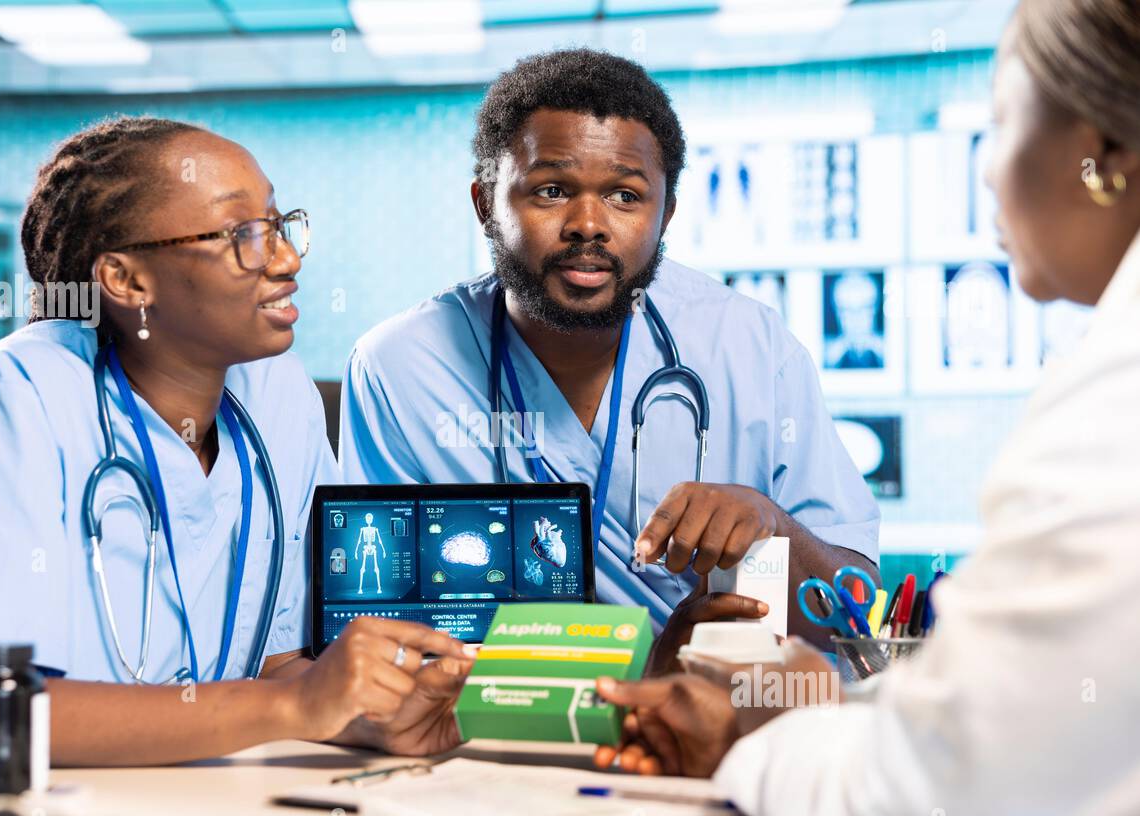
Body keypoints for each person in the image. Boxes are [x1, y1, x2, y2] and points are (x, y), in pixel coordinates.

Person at [593, 0, 1140, 816]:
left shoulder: (1118, 397)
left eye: (1000, 122)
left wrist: (747, 743)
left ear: (1105, 152)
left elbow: (955, 804)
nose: (989, 171)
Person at [0, 117, 471, 791]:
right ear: (125, 279)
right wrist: (295, 705)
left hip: (178, 791)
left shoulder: (276, 394)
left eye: (279, 223)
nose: (286, 259)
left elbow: (278, 664)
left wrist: (364, 718)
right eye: (242, 236)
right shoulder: (18, 394)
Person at [338, 50, 881, 654]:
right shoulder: (402, 365)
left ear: (665, 212)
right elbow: (378, 637)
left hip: (719, 728)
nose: (588, 225)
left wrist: (772, 533)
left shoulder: (752, 348)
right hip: (496, 731)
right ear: (485, 204)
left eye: (625, 196)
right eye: (551, 190)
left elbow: (851, 618)